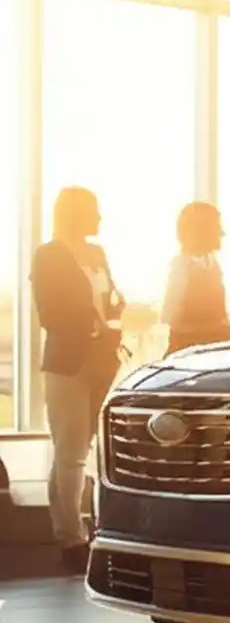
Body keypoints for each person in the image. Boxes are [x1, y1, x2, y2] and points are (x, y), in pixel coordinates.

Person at [30, 186, 125, 573]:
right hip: (68, 362)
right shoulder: (49, 254)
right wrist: (90, 324)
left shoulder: (97, 254)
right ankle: (71, 538)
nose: (99, 219)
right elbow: (49, 313)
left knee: (85, 449)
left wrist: (114, 317)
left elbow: (112, 297)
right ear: (74, 213)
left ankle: (86, 532)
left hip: (102, 359)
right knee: (70, 452)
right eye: (93, 211)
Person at [162, 201, 230, 355]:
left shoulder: (213, 265)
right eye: (217, 227)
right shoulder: (180, 267)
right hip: (189, 356)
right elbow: (171, 317)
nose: (222, 233)